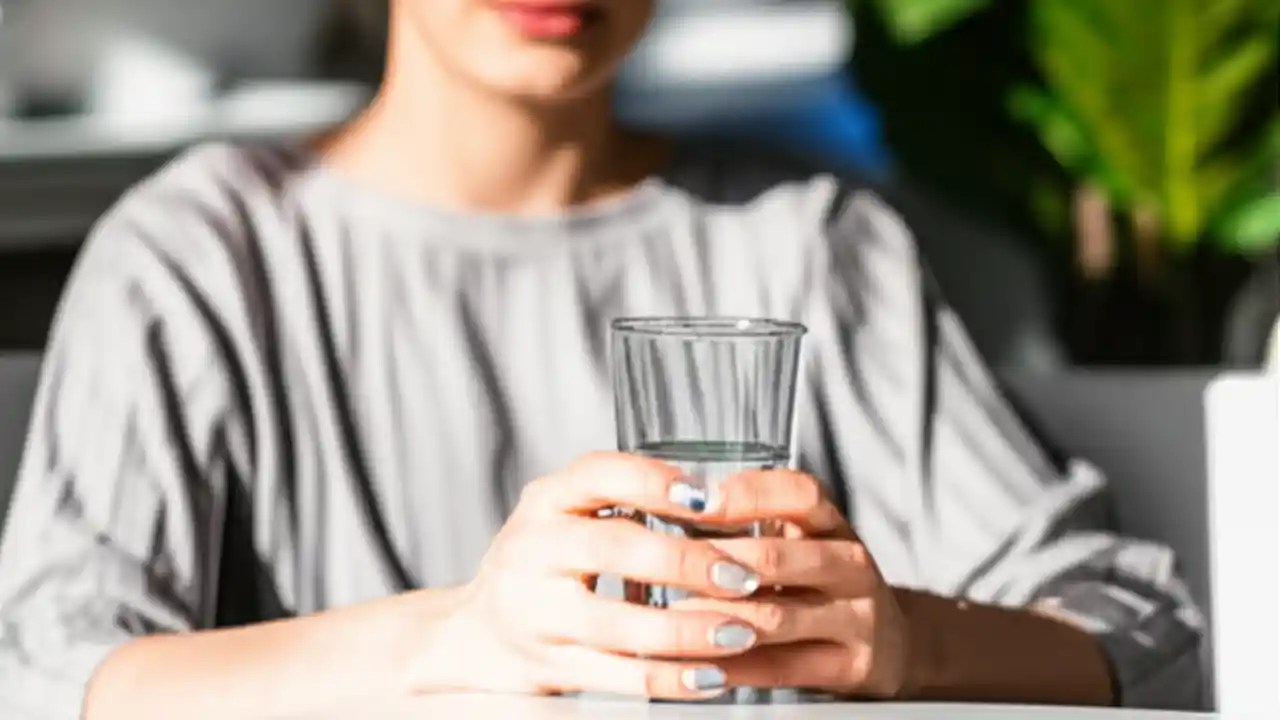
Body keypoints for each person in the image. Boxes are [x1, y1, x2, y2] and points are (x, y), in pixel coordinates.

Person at [0, 2, 1204, 718]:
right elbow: (53, 675)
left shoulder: (804, 240)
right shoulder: (200, 258)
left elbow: (1134, 625)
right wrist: (459, 644)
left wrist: (903, 646)